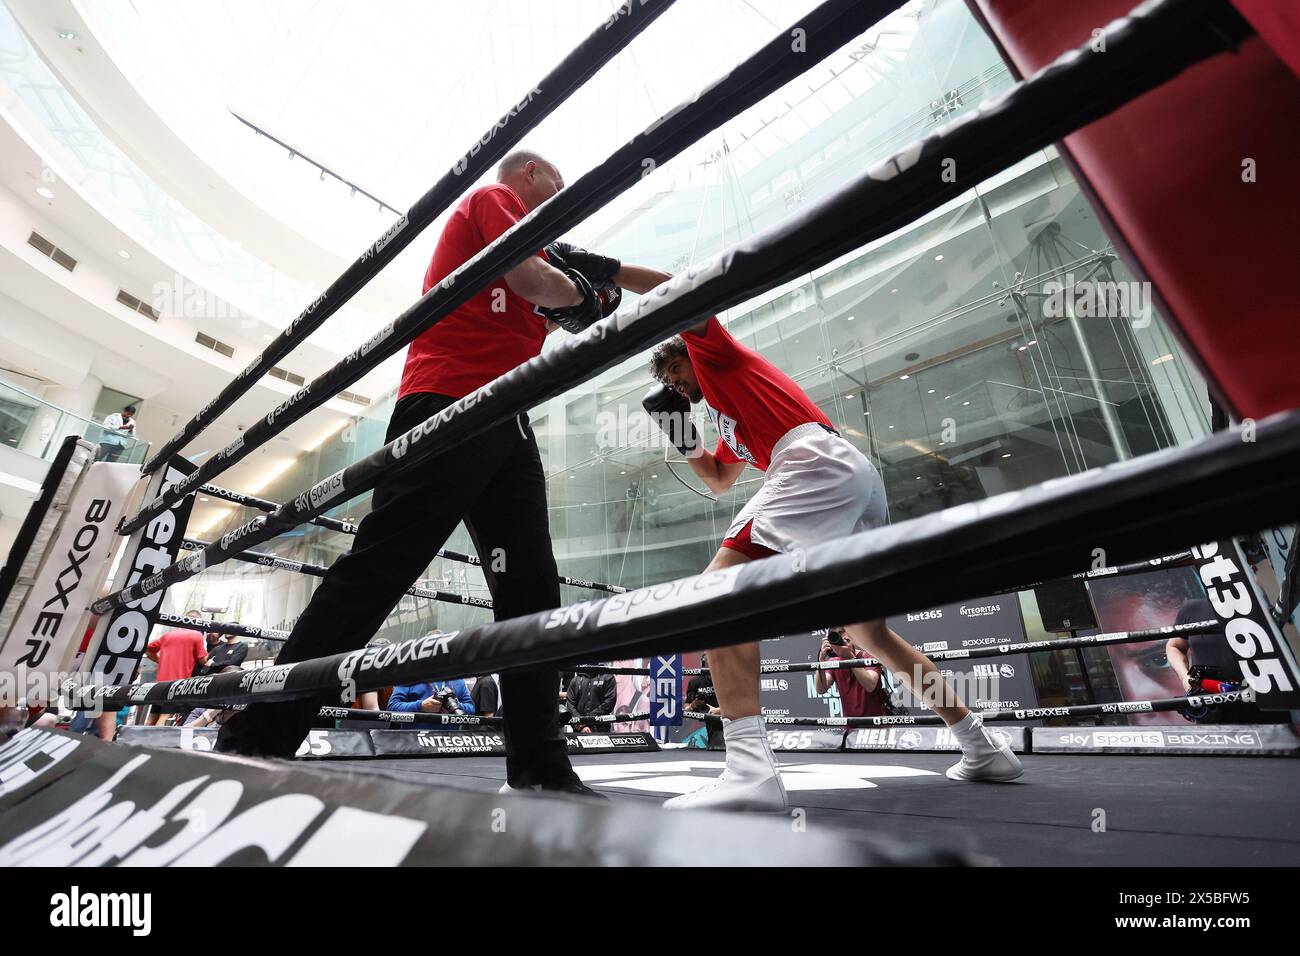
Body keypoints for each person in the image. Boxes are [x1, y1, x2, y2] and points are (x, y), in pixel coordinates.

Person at [216, 149, 646, 796]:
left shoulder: (550, 241)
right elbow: (533, 282)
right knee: (382, 565)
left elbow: (620, 275)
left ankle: (539, 767)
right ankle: (256, 737)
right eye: (554, 187)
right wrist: (584, 297)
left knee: (531, 591)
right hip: (449, 401)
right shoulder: (494, 202)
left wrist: (692, 295)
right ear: (527, 176)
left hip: (508, 412)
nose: (560, 201)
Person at [640, 291, 1023, 811]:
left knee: (716, 597)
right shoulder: (731, 423)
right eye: (668, 383)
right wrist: (680, 431)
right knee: (870, 631)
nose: (675, 383)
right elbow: (717, 479)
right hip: (847, 478)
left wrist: (603, 270)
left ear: (693, 354)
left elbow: (679, 292)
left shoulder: (721, 359)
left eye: (676, 371)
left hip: (811, 465)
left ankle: (749, 772)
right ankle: (983, 747)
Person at [145, 612, 208, 726]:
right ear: (198, 623)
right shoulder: (196, 635)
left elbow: (148, 650)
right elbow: (203, 660)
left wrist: (159, 660)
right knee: (164, 717)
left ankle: (140, 741)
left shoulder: (168, 635)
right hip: (176, 684)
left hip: (159, 684)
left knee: (152, 718)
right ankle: (155, 743)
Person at [814, 627, 888, 719]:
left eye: (842, 632)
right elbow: (821, 689)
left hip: (877, 726)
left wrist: (849, 657)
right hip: (851, 728)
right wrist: (821, 661)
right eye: (836, 635)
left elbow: (870, 685)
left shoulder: (868, 656)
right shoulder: (833, 662)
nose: (842, 637)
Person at [387, 678, 476, 725]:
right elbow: (392, 707)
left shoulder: (457, 679)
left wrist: (454, 705)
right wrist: (421, 706)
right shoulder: (409, 677)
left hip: (450, 741)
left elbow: (471, 709)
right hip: (414, 741)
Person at [685, 653, 724, 749]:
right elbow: (686, 710)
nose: (713, 664)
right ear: (703, 664)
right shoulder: (695, 681)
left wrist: (718, 710)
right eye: (709, 662)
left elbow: (736, 704)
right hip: (706, 718)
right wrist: (694, 705)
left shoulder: (726, 679)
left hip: (725, 715)